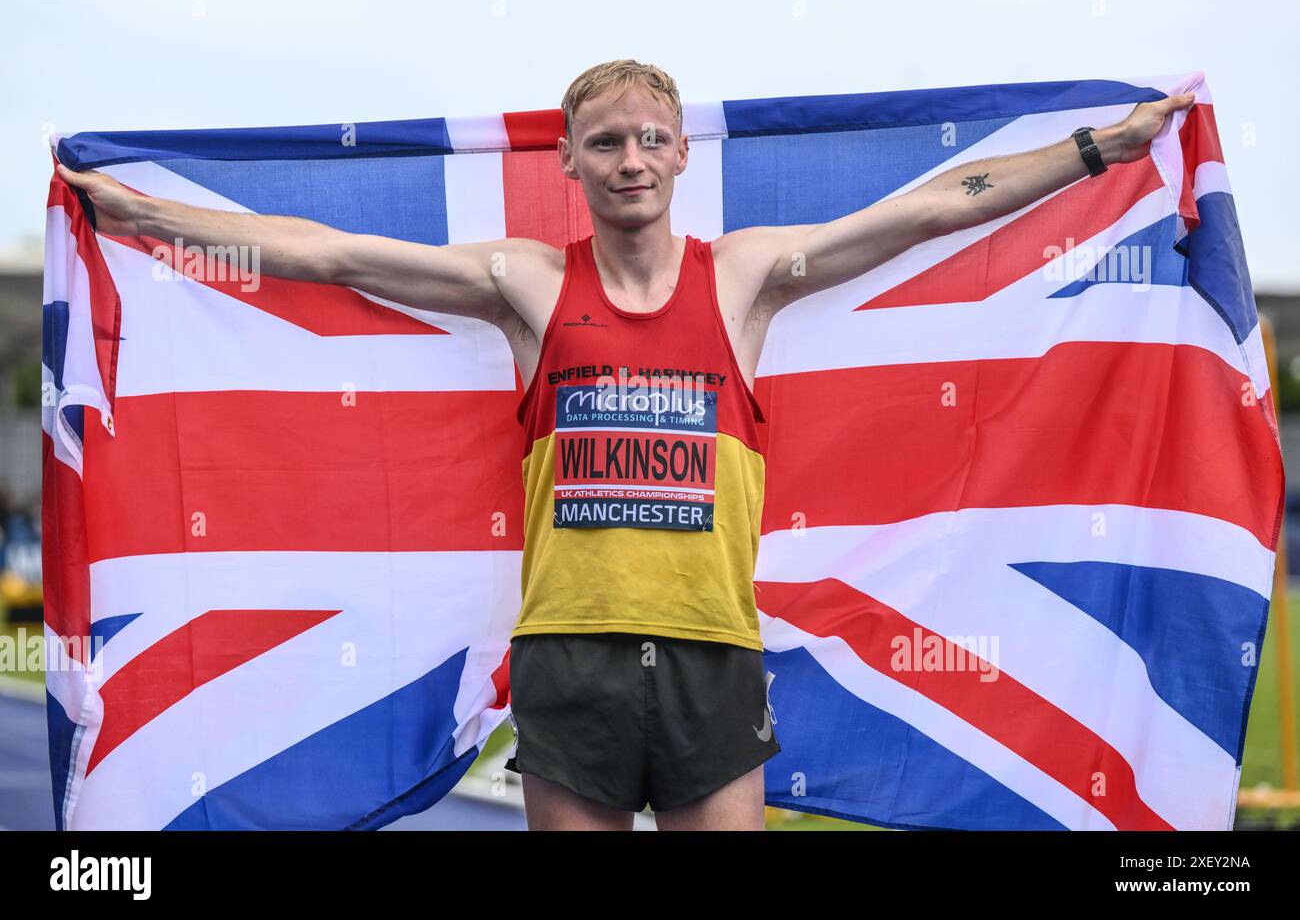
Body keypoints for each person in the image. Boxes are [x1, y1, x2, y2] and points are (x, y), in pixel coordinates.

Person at [56, 59, 1195, 831]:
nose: (632, 159)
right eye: (606, 142)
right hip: (572, 650)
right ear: (571, 160)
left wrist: (1102, 148)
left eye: (652, 137)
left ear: (679, 155)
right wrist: (152, 217)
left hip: (711, 647)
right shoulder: (526, 283)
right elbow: (331, 254)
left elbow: (938, 205)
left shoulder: (741, 276)